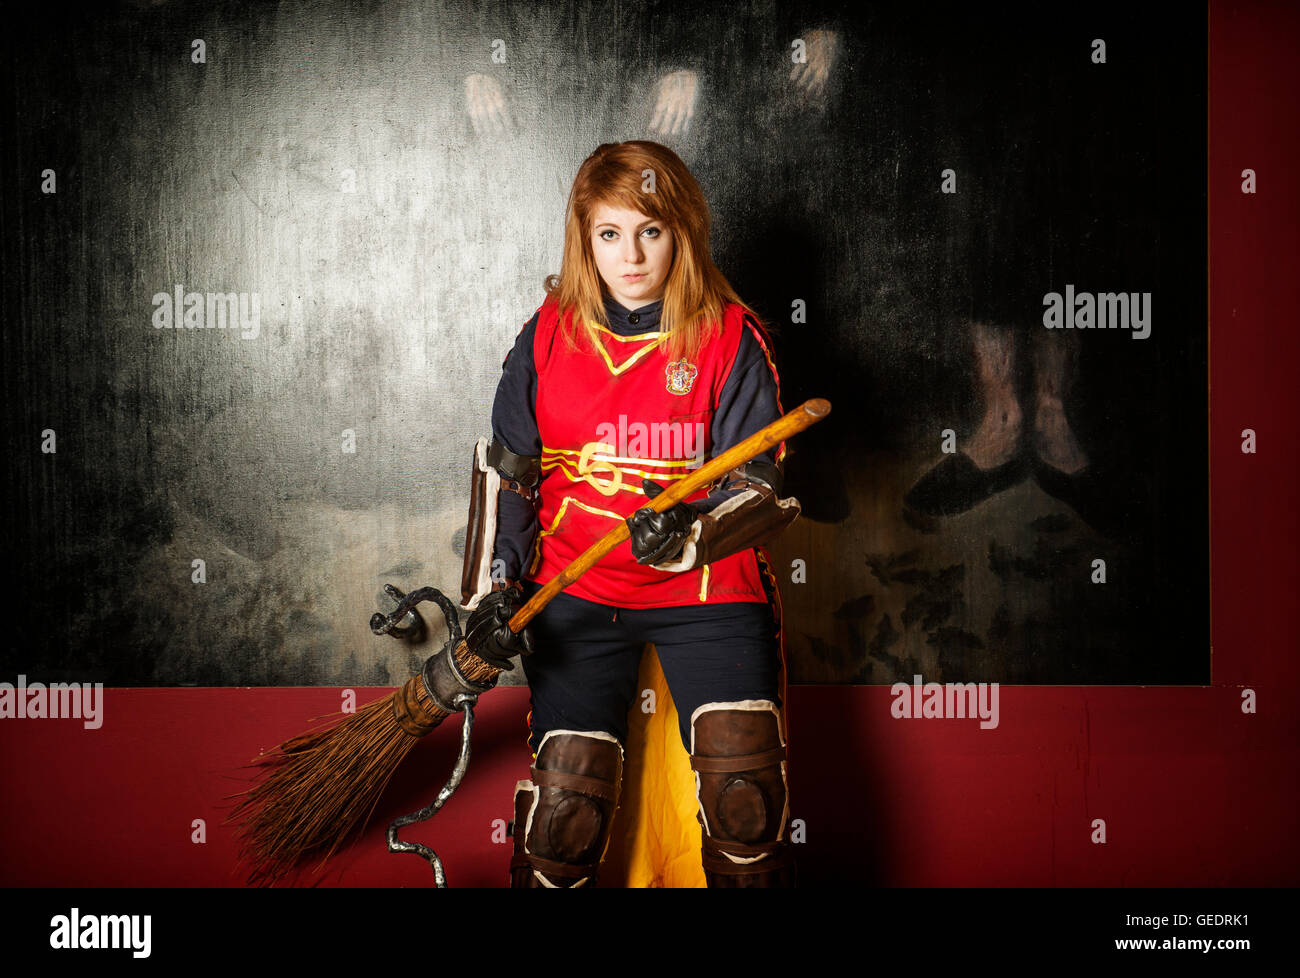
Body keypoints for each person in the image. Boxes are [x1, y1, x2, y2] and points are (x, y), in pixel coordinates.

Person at [457, 140, 801, 887]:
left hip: (708, 596)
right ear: (585, 238)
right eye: (609, 233)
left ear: (683, 232)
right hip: (577, 595)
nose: (632, 255)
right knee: (564, 821)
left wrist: (689, 533)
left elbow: (761, 492)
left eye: (652, 230)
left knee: (748, 806)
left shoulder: (730, 337)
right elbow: (507, 476)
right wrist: (491, 593)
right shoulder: (548, 334)